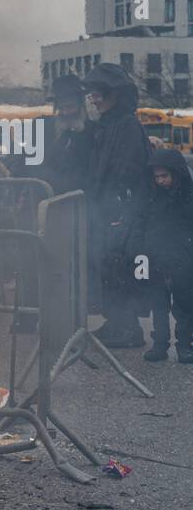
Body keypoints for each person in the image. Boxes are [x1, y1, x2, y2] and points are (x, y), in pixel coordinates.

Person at [80, 63, 151, 348]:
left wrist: (115, 205)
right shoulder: (109, 125)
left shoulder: (127, 125)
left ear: (115, 95)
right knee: (108, 267)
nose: (94, 99)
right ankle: (115, 322)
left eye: (99, 93)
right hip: (108, 210)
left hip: (122, 211)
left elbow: (127, 171)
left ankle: (128, 329)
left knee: (120, 268)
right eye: (92, 94)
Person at [128, 148, 193, 363]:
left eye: (164, 176)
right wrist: (138, 252)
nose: (160, 181)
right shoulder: (149, 198)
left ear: (176, 173)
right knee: (158, 304)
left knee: (184, 304)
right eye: (156, 177)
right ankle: (160, 344)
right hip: (153, 256)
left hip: (182, 257)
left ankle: (185, 345)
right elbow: (139, 224)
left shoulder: (188, 197)